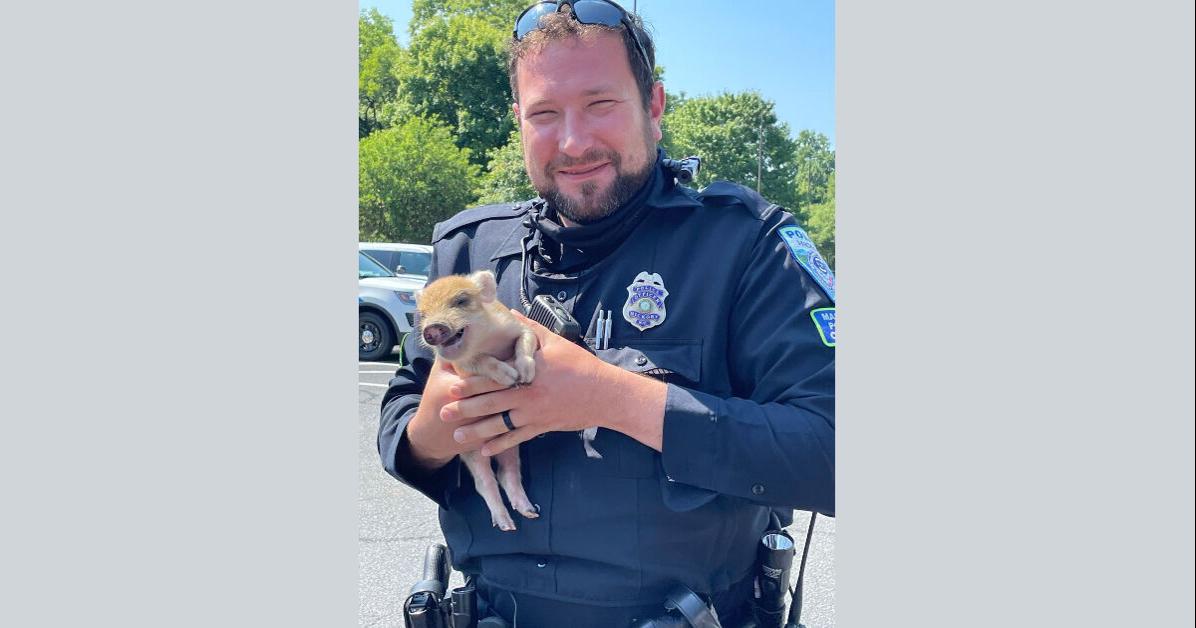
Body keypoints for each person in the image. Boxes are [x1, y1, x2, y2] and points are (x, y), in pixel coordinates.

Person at [378, 1, 835, 625]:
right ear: (518, 122)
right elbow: (403, 407)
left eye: (600, 104)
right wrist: (430, 434)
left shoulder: (748, 248)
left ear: (653, 105)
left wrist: (608, 398)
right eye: (544, 114)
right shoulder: (468, 251)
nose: (573, 141)